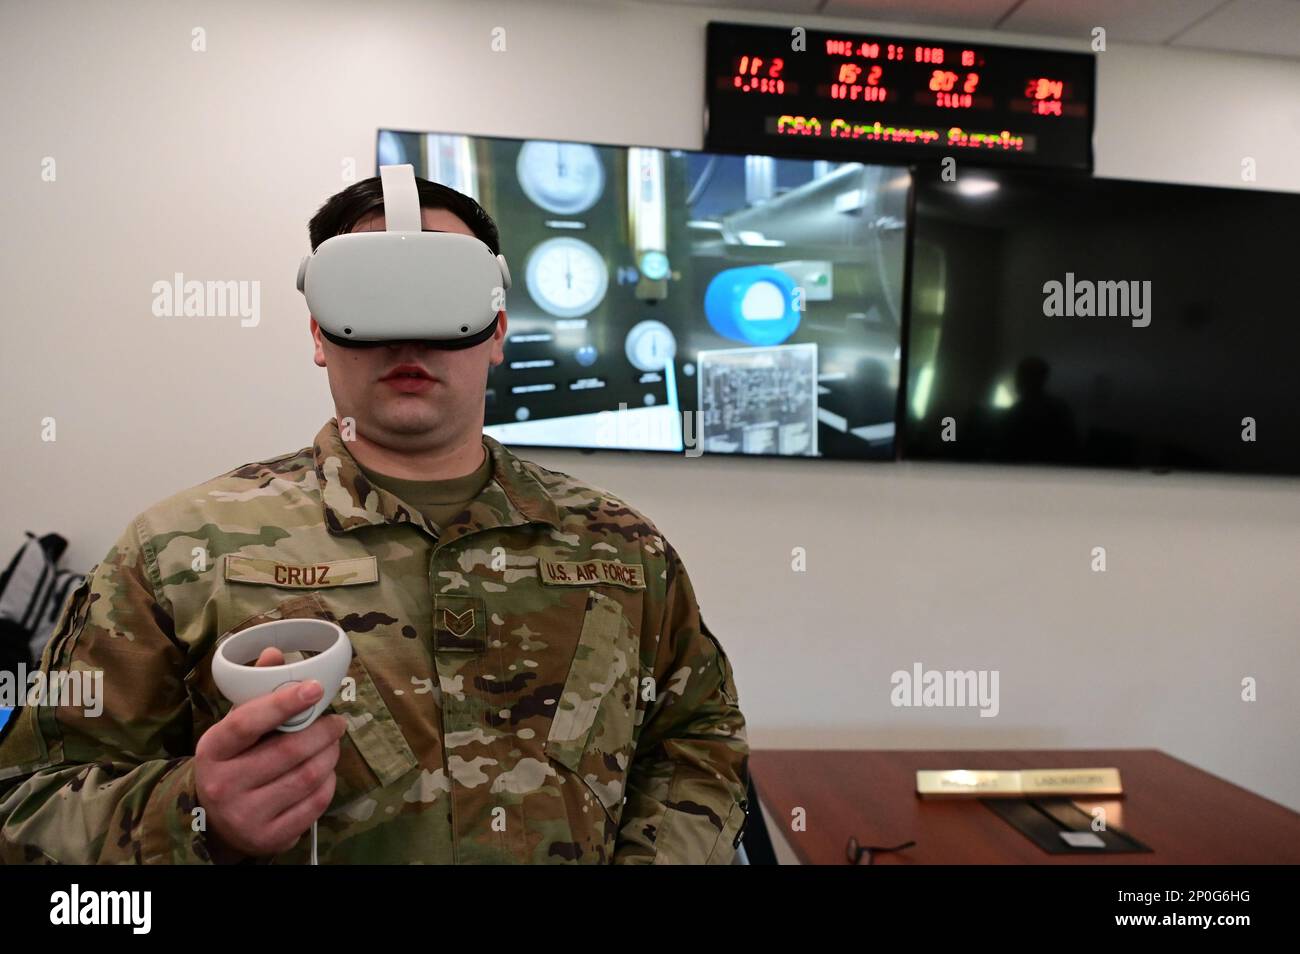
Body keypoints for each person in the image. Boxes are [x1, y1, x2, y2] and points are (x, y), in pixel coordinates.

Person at [0, 173, 749, 864]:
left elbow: (698, 741)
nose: (407, 333)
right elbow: (24, 806)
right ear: (319, 333)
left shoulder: (624, 550)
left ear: (496, 330)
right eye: (369, 296)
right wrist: (195, 811)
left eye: (440, 294)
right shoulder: (177, 553)